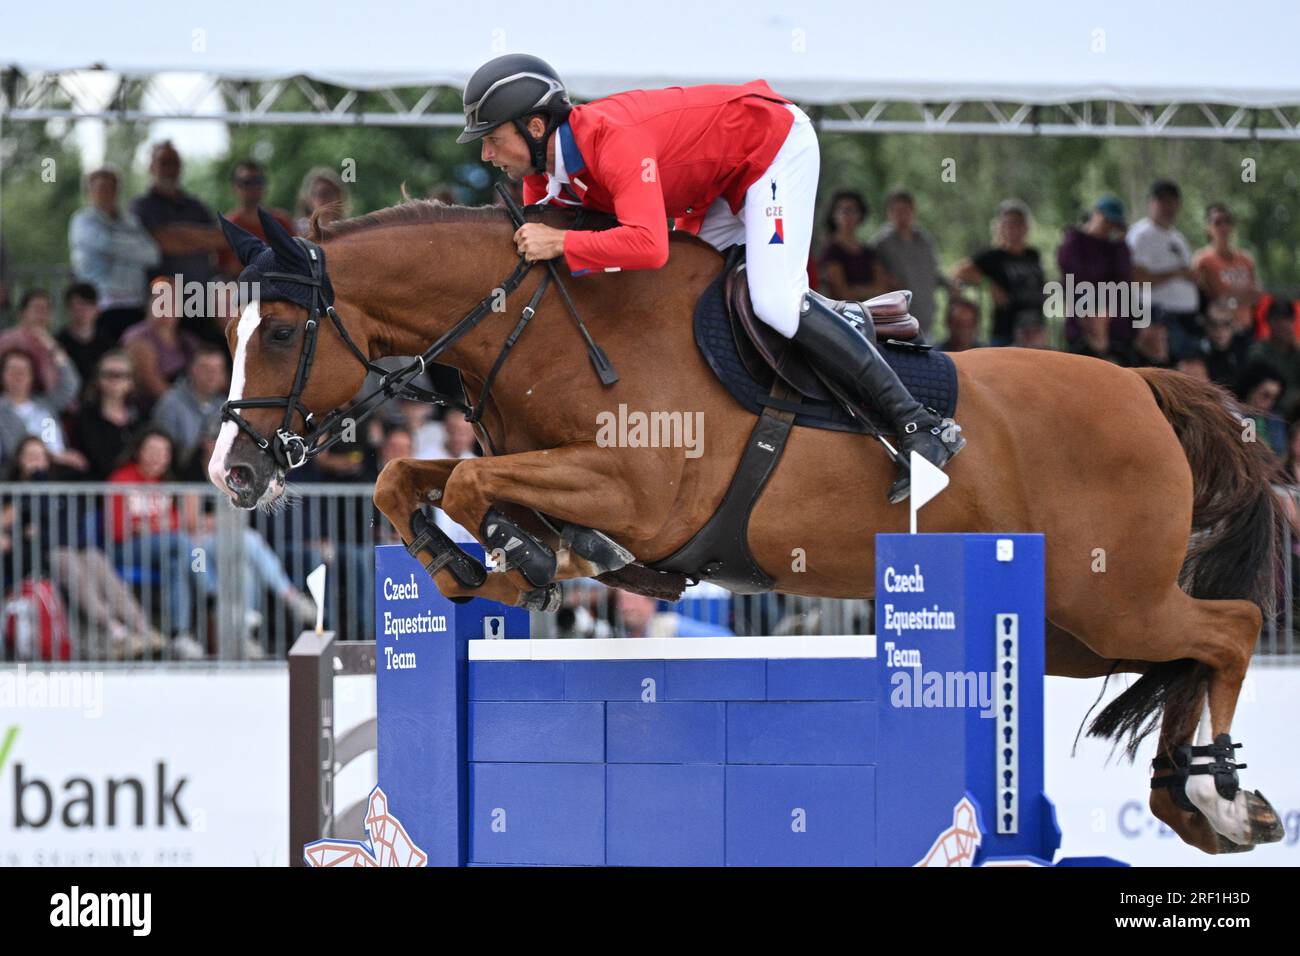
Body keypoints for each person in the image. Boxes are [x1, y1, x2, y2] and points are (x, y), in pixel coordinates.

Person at [457, 53, 963, 502]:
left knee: (775, 303)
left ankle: (918, 423)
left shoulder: (612, 140)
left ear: (536, 127)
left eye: (493, 140)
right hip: (716, 186)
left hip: (772, 149)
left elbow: (649, 246)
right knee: (685, 301)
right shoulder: (541, 177)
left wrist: (563, 242)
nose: (486, 155)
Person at [3, 437, 165, 659]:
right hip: (38, 557)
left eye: (40, 457)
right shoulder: (12, 491)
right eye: (30, 457)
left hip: (69, 547)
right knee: (69, 562)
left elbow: (63, 522)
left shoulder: (57, 487)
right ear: (19, 461)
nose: (36, 462)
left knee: (95, 558)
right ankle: (114, 629)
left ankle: (142, 627)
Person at [129, 141, 228, 348]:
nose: (169, 169)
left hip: (199, 298)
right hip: (161, 301)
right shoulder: (142, 206)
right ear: (151, 167)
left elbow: (221, 238)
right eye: (164, 162)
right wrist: (199, 238)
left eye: (174, 163)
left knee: (210, 351)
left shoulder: (197, 206)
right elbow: (161, 242)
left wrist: (178, 233)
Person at [68, 167, 161, 341]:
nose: (106, 194)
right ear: (89, 193)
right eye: (100, 189)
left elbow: (153, 255)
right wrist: (133, 246)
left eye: (111, 188)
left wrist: (117, 246)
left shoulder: (131, 221)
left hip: (135, 304)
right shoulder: (82, 221)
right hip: (101, 306)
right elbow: (106, 244)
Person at [951, 200, 1045, 348]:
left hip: (1034, 330)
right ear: (1000, 226)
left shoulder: (1033, 254)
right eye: (1009, 223)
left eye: (1019, 223)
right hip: (1006, 331)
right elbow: (959, 271)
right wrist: (990, 285)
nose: (1014, 228)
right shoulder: (993, 256)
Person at [1127, 180, 1199, 356]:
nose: (1167, 207)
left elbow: (1184, 272)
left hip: (1186, 317)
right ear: (1152, 203)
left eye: (1172, 202)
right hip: (1158, 317)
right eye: (1162, 201)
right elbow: (1137, 279)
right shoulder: (1141, 235)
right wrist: (1175, 273)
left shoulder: (1177, 237)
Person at [1056, 194, 1133, 346]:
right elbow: (1075, 275)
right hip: (1083, 317)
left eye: (1114, 223)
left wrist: (1121, 242)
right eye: (1106, 221)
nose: (1109, 226)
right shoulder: (1074, 240)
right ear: (1095, 215)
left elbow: (1123, 277)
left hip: (1115, 324)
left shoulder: (1114, 247)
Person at [871, 189, 944, 334]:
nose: (901, 216)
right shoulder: (881, 243)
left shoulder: (924, 240)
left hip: (926, 318)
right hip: (896, 322)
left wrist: (951, 285)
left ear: (913, 211)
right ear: (889, 213)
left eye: (905, 210)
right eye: (896, 211)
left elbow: (934, 273)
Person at [122, 276, 200, 411]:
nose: (166, 307)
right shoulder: (137, 338)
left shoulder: (187, 339)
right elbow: (154, 386)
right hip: (153, 410)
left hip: (190, 404)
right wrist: (190, 411)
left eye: (173, 302)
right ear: (149, 304)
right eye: (161, 302)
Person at [0, 350, 86, 471]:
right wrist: (56, 457)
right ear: (2, 374)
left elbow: (70, 384)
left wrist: (49, 344)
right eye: (12, 369)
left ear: (32, 376)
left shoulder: (46, 404)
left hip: (58, 472)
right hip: (22, 478)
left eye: (24, 370)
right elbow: (11, 451)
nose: (18, 374)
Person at [151, 346, 227, 473]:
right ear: (192, 369)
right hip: (178, 481)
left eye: (218, 369)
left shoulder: (227, 406)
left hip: (216, 482)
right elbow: (162, 455)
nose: (212, 375)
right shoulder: (170, 403)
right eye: (206, 368)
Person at [217, 159, 296, 280]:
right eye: (247, 182)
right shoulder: (228, 227)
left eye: (258, 181)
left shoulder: (282, 222)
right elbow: (223, 268)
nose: (253, 187)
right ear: (234, 187)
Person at [0, 289, 82, 399]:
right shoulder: (7, 339)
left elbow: (67, 377)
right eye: (37, 308)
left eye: (47, 309)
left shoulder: (53, 342)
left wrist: (52, 346)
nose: (42, 313)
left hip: (48, 403)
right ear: (23, 312)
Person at [73, 350, 142, 480]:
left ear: (131, 382)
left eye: (121, 375)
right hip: (97, 490)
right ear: (98, 379)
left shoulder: (140, 417)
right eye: (108, 374)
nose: (114, 380)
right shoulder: (85, 416)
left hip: (134, 488)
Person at [1193, 203, 1259, 334]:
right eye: (1217, 222)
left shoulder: (1245, 259)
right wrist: (1237, 296)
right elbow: (1207, 299)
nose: (1223, 227)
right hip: (1221, 331)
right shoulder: (1203, 260)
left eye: (1227, 221)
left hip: (1247, 327)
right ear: (1208, 228)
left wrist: (1229, 298)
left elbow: (1255, 294)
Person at [817, 189, 889, 302]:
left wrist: (856, 290)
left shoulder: (868, 252)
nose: (848, 216)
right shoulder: (831, 250)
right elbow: (841, 292)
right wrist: (869, 291)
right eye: (843, 210)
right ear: (833, 214)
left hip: (870, 315)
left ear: (861, 214)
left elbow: (883, 290)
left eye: (853, 210)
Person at [57, 282, 114, 386]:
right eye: (77, 306)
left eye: (88, 305)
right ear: (68, 309)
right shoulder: (59, 341)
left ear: (97, 309)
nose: (83, 311)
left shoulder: (107, 340)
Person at [295, 167, 350, 236]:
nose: (321, 199)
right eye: (315, 193)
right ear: (308, 199)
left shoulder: (349, 229)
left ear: (338, 196)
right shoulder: (300, 230)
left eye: (326, 193)